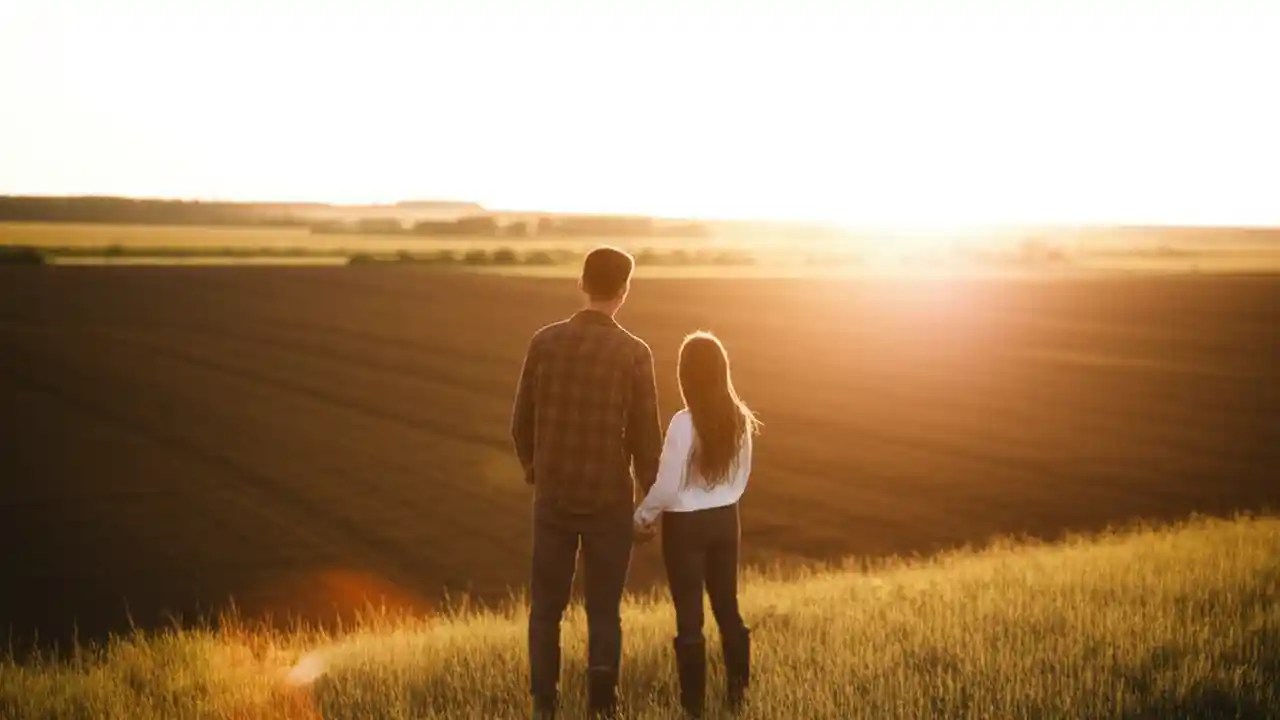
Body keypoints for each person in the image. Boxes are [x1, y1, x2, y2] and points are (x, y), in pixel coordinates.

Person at [512, 246, 663, 719]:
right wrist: (646, 507)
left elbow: (521, 422)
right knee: (603, 610)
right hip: (609, 500)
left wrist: (538, 472)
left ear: (581, 282)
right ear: (624, 290)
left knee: (546, 609)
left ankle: (544, 703)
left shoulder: (544, 341)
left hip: (553, 497)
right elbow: (645, 438)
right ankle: (602, 705)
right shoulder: (635, 353)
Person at [635, 331, 759, 718]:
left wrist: (643, 516)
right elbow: (741, 479)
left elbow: (667, 484)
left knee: (690, 619)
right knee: (728, 608)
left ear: (686, 375)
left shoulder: (683, 424)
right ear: (722, 371)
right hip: (726, 520)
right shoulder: (741, 418)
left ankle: (695, 709)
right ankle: (738, 698)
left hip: (685, 527)